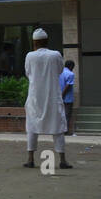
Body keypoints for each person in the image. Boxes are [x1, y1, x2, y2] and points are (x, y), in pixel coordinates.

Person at [23, 28, 71, 169]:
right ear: (46, 41)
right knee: (58, 128)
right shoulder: (55, 55)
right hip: (52, 97)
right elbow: (60, 70)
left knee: (32, 128)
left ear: (34, 43)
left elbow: (28, 73)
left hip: (35, 98)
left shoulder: (29, 56)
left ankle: (30, 159)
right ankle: (62, 160)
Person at [60, 59, 77, 136]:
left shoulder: (59, 73)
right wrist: (62, 95)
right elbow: (68, 85)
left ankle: (60, 130)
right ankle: (65, 131)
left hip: (59, 98)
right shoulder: (70, 74)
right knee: (67, 114)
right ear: (71, 66)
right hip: (67, 98)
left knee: (61, 114)